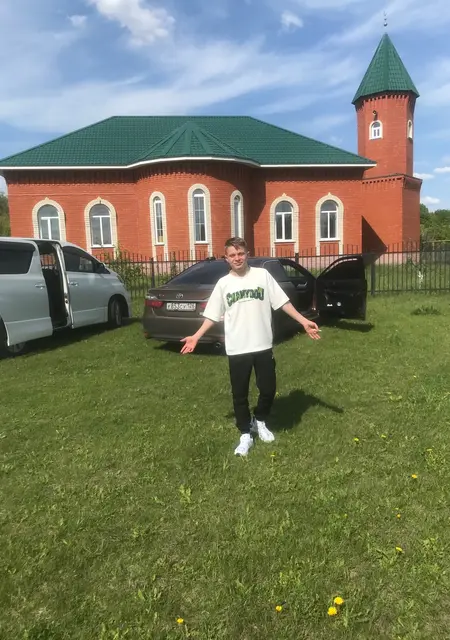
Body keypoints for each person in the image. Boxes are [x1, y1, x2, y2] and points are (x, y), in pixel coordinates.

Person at [180, 237, 321, 456]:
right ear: (226, 258)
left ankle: (260, 420)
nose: (237, 258)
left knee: (268, 388)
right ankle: (245, 433)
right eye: (232, 255)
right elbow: (212, 314)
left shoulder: (262, 276)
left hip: (262, 344)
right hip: (237, 348)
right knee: (240, 394)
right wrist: (196, 336)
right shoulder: (224, 284)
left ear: (247, 254)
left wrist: (303, 321)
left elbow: (282, 302)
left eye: (240, 254)